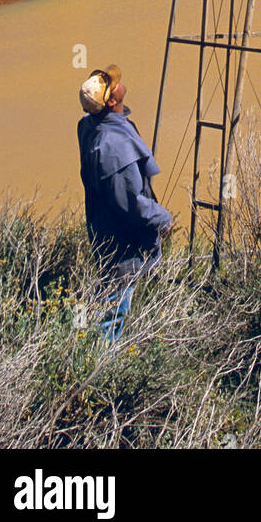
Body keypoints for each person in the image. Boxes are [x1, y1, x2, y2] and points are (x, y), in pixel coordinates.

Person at [77, 65, 172, 343]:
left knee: (113, 295)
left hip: (103, 228)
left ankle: (94, 346)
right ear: (110, 102)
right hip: (121, 241)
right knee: (115, 307)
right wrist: (163, 218)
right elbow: (131, 203)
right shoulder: (113, 147)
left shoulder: (88, 126)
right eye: (113, 85)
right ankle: (100, 361)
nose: (119, 83)